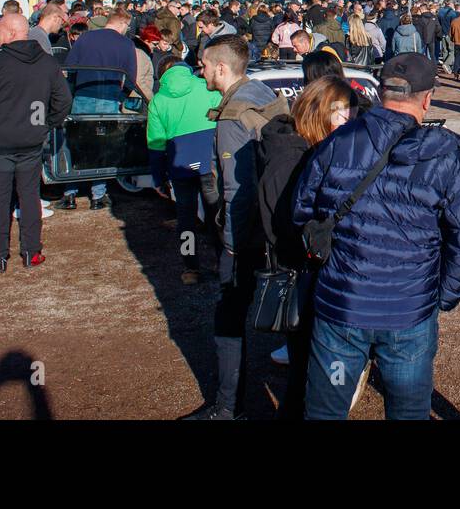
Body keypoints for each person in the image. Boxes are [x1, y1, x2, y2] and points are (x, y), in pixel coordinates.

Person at [293, 54, 460, 420]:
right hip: (404, 308)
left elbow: (302, 212)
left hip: (347, 306)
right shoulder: (443, 157)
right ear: (428, 99)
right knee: (407, 411)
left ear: (380, 92)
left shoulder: (337, 142)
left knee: (326, 410)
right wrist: (447, 294)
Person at [189, 35, 289, 420]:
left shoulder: (232, 118)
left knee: (230, 314)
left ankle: (227, 407)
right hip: (274, 225)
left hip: (247, 234)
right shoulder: (262, 92)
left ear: (221, 68)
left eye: (203, 64)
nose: (200, 70)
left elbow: (236, 189)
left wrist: (229, 244)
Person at [256, 74, 357, 419]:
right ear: (322, 112)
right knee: (306, 379)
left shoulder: (315, 150)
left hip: (314, 275)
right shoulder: (291, 157)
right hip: (302, 276)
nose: (349, 122)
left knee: (312, 376)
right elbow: (281, 224)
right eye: (343, 114)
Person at [0, 12, 72, 273]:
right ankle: (31, 252)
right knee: (29, 197)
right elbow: (63, 100)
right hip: (29, 141)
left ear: (11, 33)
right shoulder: (46, 63)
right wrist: (45, 123)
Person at [147, 57, 223, 285]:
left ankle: (191, 268)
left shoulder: (158, 100)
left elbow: (156, 144)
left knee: (186, 219)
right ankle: (222, 260)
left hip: (180, 165)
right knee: (215, 213)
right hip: (208, 161)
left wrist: (158, 178)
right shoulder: (206, 87)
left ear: (162, 75)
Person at [60, 7, 139, 210]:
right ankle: (98, 195)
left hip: (83, 95)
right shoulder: (126, 44)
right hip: (109, 99)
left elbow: (69, 67)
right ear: (122, 23)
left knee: (76, 144)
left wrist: (73, 90)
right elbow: (131, 78)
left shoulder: (86, 38)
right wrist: (120, 96)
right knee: (102, 146)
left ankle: (70, 193)